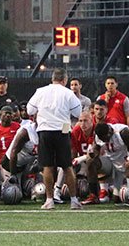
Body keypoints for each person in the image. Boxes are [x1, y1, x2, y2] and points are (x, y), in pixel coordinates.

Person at [26, 67, 83, 210]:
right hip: (63, 130)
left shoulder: (40, 91)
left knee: (47, 166)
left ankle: (49, 200)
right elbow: (78, 112)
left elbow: (30, 110)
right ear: (65, 80)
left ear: (52, 79)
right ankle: (74, 200)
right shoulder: (68, 93)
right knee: (67, 166)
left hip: (45, 130)